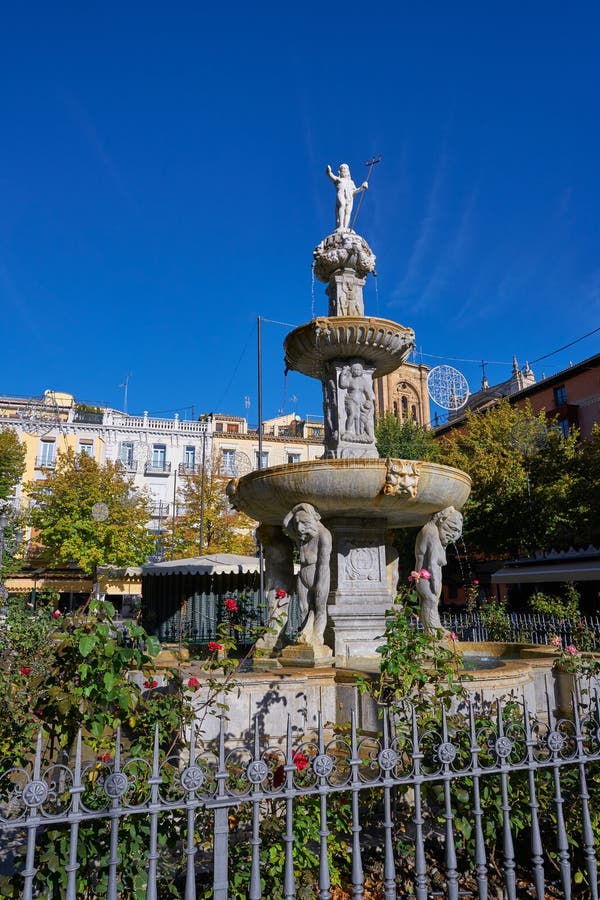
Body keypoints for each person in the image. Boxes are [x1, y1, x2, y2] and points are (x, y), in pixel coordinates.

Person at [283, 503, 332, 648]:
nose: (299, 528)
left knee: (320, 607)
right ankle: (306, 635)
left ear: (314, 519)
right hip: (302, 577)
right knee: (303, 608)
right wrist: (295, 509)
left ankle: (317, 637)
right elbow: (286, 525)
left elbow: (323, 564)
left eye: (304, 523)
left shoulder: (324, 535)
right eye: (297, 523)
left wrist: (319, 586)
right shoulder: (302, 537)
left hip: (319, 576)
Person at [414, 507, 463, 633]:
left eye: (458, 533)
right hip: (428, 577)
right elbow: (432, 563)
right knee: (430, 600)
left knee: (431, 602)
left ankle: (434, 629)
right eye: (452, 529)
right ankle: (432, 632)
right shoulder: (432, 533)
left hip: (427, 576)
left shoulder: (431, 530)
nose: (455, 535)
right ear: (441, 519)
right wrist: (436, 585)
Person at [326, 163, 368, 231]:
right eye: (342, 169)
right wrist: (328, 172)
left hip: (350, 198)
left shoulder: (351, 182)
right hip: (341, 195)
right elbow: (331, 176)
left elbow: (354, 191)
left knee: (348, 212)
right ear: (340, 171)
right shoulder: (339, 180)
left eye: (345, 169)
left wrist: (362, 187)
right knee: (342, 205)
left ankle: (345, 227)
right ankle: (341, 226)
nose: (344, 170)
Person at [339, 362, 375, 439]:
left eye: (359, 370)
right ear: (352, 371)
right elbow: (342, 385)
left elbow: (368, 393)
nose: (357, 371)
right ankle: (348, 431)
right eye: (355, 369)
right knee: (351, 414)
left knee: (358, 417)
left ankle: (358, 434)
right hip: (350, 399)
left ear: (361, 371)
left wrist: (370, 403)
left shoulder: (363, 381)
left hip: (360, 401)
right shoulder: (350, 379)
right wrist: (343, 373)